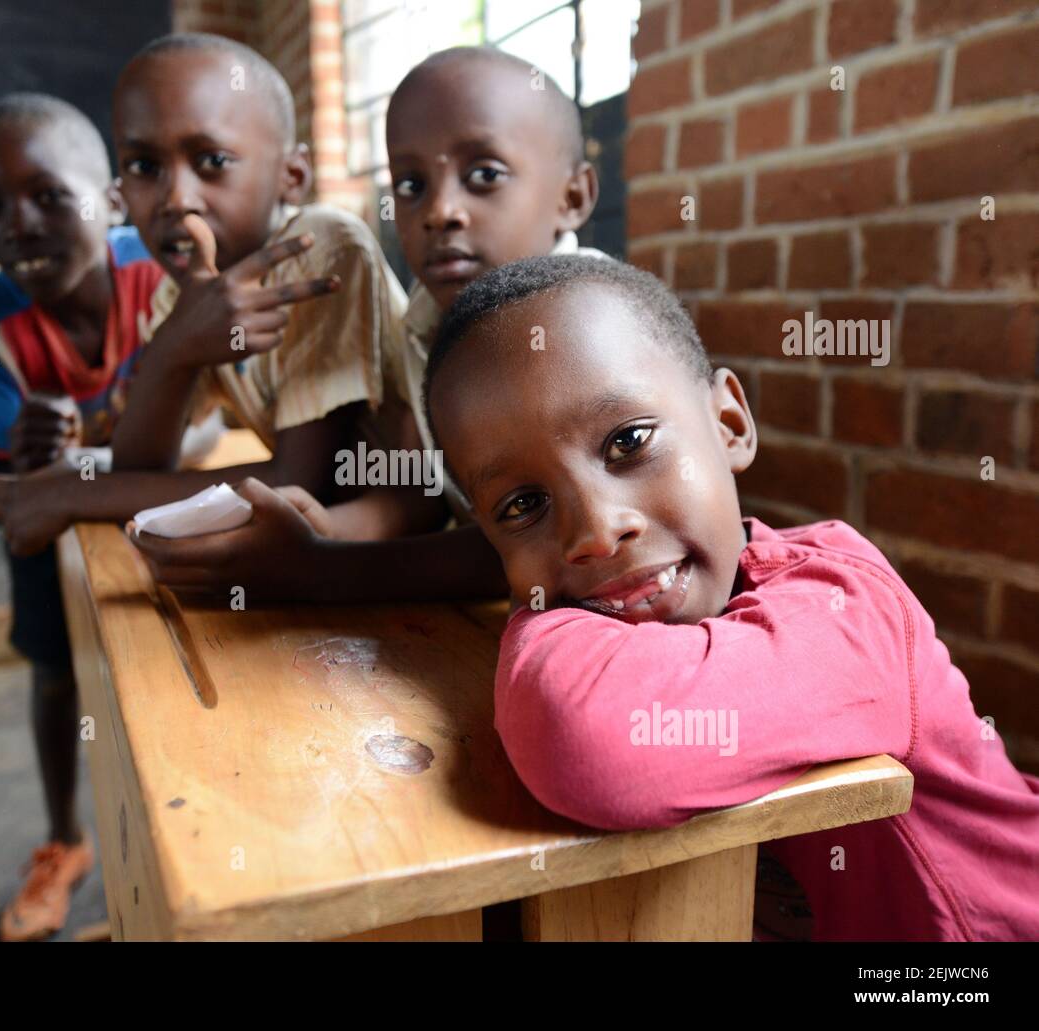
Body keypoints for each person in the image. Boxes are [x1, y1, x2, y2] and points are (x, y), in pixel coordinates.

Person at [419, 253, 1039, 942]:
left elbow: (586, 741)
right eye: (524, 504)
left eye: (628, 442)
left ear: (730, 424)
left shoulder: (842, 608)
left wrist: (532, 613)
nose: (596, 530)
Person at [128, 47, 607, 602]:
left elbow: (550, 542)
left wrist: (319, 568)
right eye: (410, 185)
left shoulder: (585, 326)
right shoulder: (428, 323)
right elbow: (420, 492)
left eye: (484, 175)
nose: (439, 211)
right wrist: (323, 532)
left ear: (573, 198)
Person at [0, 33, 407, 556]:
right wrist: (171, 351)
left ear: (292, 175)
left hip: (427, 528)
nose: (176, 199)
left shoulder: (321, 247)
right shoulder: (179, 295)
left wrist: (73, 493)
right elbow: (141, 467)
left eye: (212, 161)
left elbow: (306, 481)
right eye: (145, 166)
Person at [0, 92, 206, 941]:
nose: (20, 223)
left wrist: (86, 455)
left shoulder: (161, 275)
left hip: (163, 511)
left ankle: (193, 844)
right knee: (55, 671)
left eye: (50, 195)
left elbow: (213, 425)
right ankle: (65, 839)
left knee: (186, 669)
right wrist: (28, 454)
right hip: (54, 532)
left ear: (112, 201)